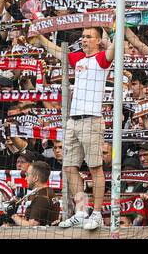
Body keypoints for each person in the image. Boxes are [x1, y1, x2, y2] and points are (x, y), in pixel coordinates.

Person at [31, 26, 114, 230]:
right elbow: (58, 52)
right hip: (73, 120)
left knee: (95, 169)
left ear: (98, 41)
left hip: (91, 119)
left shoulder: (102, 59)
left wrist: (109, 36)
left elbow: (115, 49)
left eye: (89, 37)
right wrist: (40, 37)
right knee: (69, 167)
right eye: (83, 36)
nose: (84, 39)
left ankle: (96, 214)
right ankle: (81, 211)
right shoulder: (79, 60)